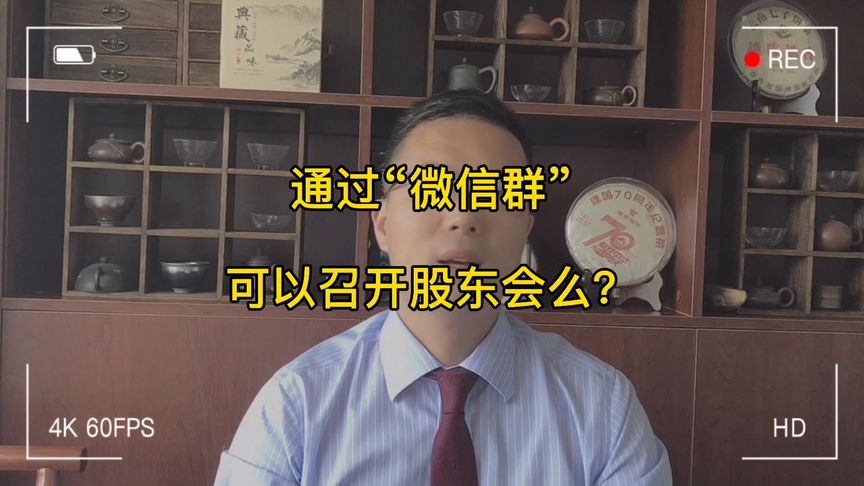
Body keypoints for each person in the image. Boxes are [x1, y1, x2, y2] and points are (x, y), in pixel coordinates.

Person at [214, 90, 673, 485]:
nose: (463, 217)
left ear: (525, 229)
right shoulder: (296, 405)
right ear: (383, 225)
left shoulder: (602, 408)